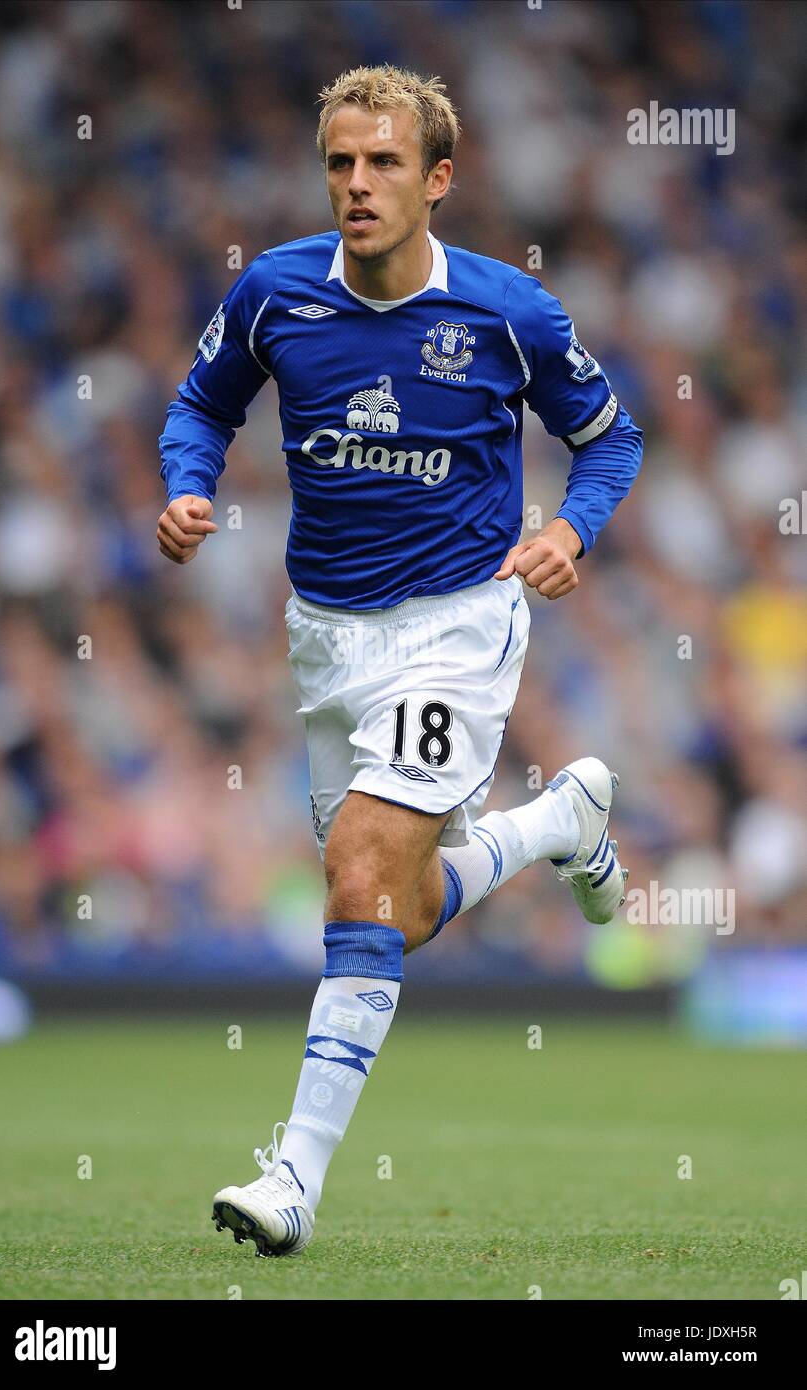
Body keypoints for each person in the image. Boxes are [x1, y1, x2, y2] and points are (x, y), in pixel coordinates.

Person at [158, 65, 642, 1257]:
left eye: (382, 164)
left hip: (458, 622)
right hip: (325, 635)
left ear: (436, 179)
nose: (356, 185)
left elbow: (608, 436)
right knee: (391, 906)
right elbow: (200, 405)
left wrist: (568, 531)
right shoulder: (274, 294)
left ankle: (294, 1180)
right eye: (339, 162)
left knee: (362, 874)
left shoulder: (507, 312)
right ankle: (555, 825)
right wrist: (185, 488)